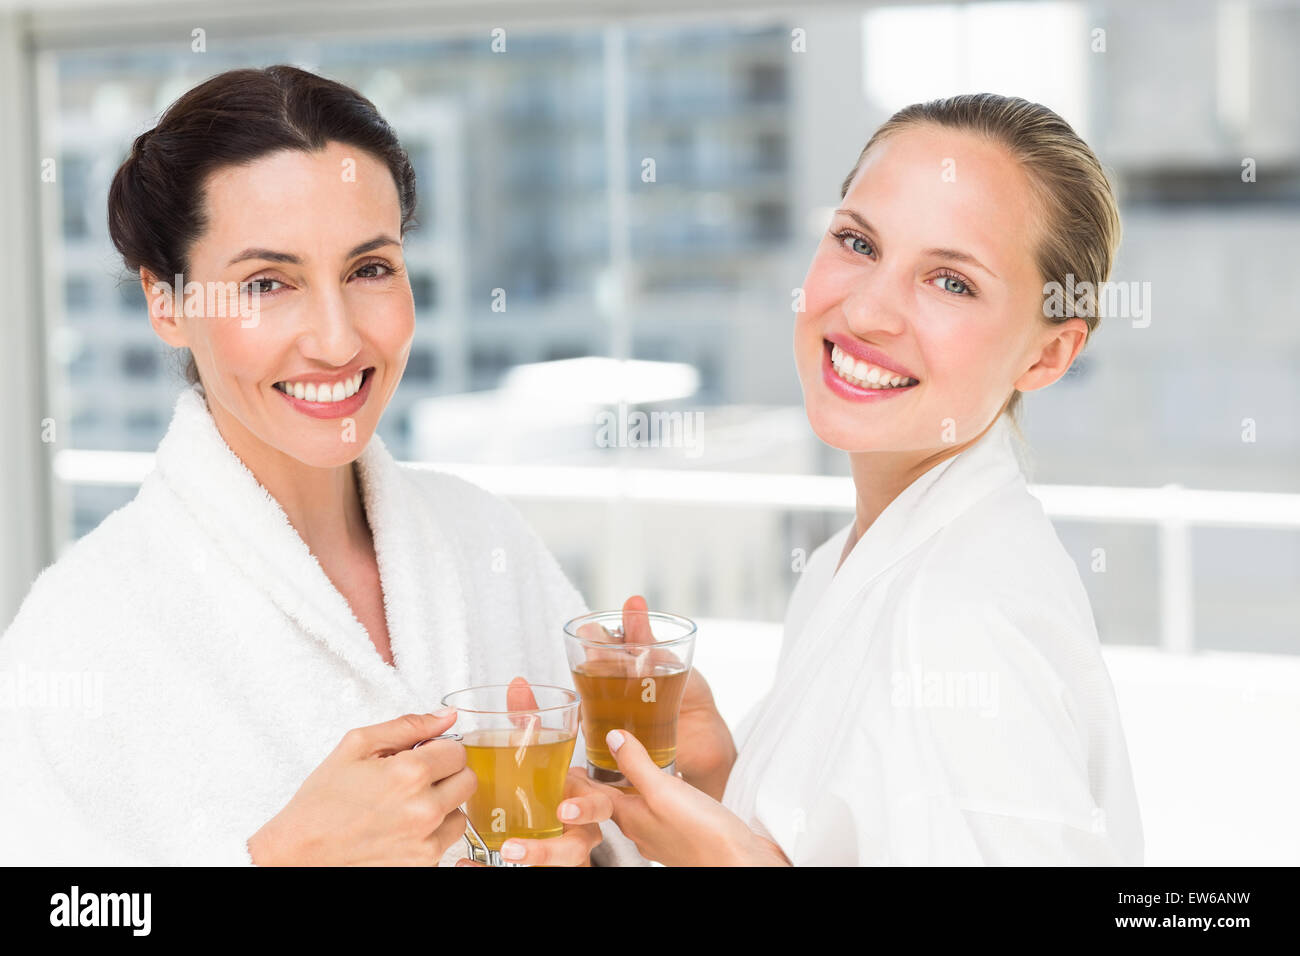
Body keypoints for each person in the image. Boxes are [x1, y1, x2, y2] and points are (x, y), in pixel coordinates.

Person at [0, 65, 640, 866]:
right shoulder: (76, 634)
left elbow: (600, 833)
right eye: (267, 283)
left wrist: (597, 845)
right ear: (165, 302)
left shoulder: (485, 542)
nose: (337, 341)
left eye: (370, 269)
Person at [592, 94, 1145, 866]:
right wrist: (722, 780)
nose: (869, 310)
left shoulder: (959, 615)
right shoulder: (854, 562)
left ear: (1048, 355)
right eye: (857, 242)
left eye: (951, 282)